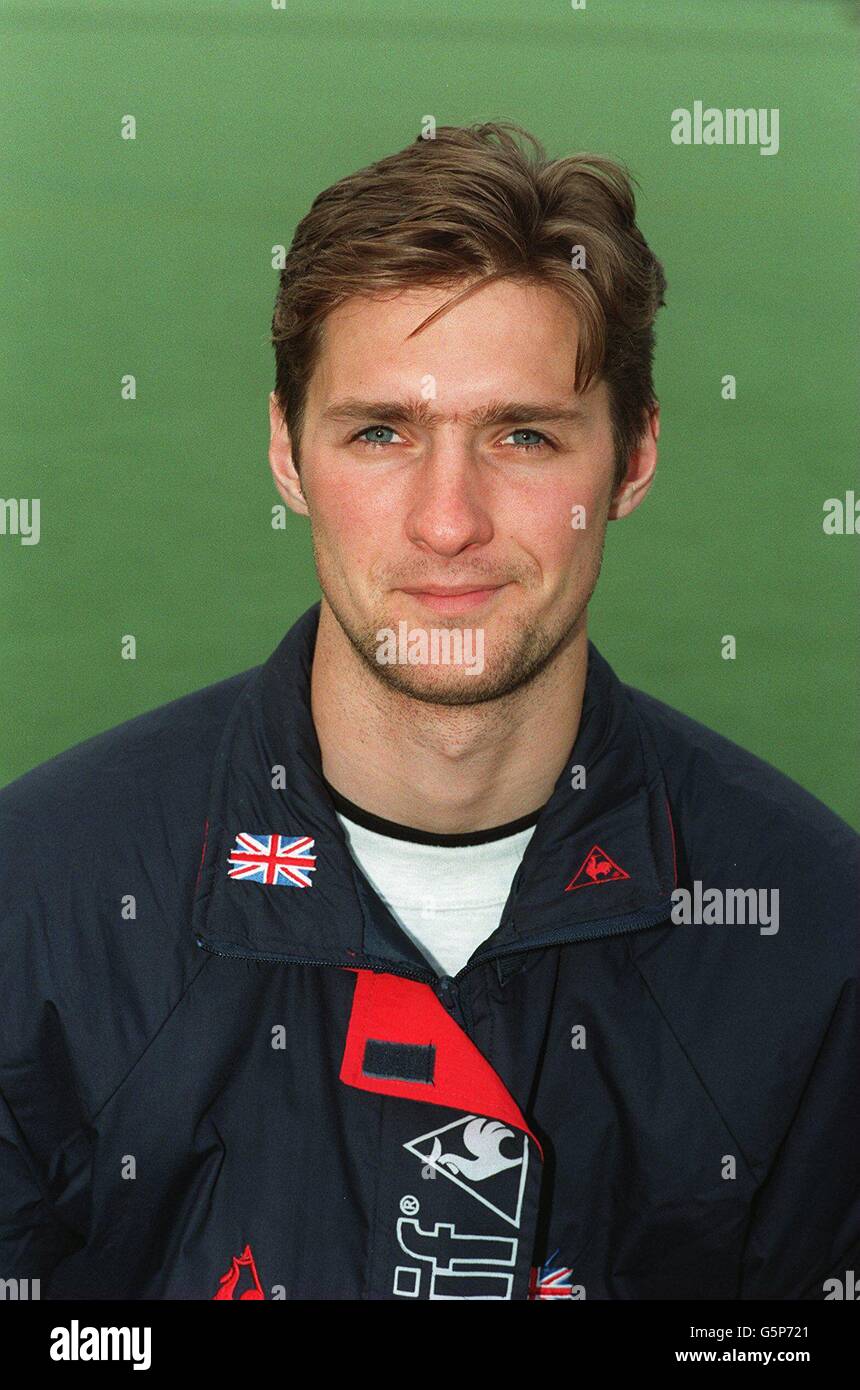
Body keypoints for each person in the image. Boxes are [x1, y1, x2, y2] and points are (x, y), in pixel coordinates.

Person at [0, 122, 856, 1301]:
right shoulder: (35, 903)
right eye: (381, 432)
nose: (446, 521)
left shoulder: (814, 937)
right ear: (288, 455)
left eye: (521, 435)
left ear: (633, 458)